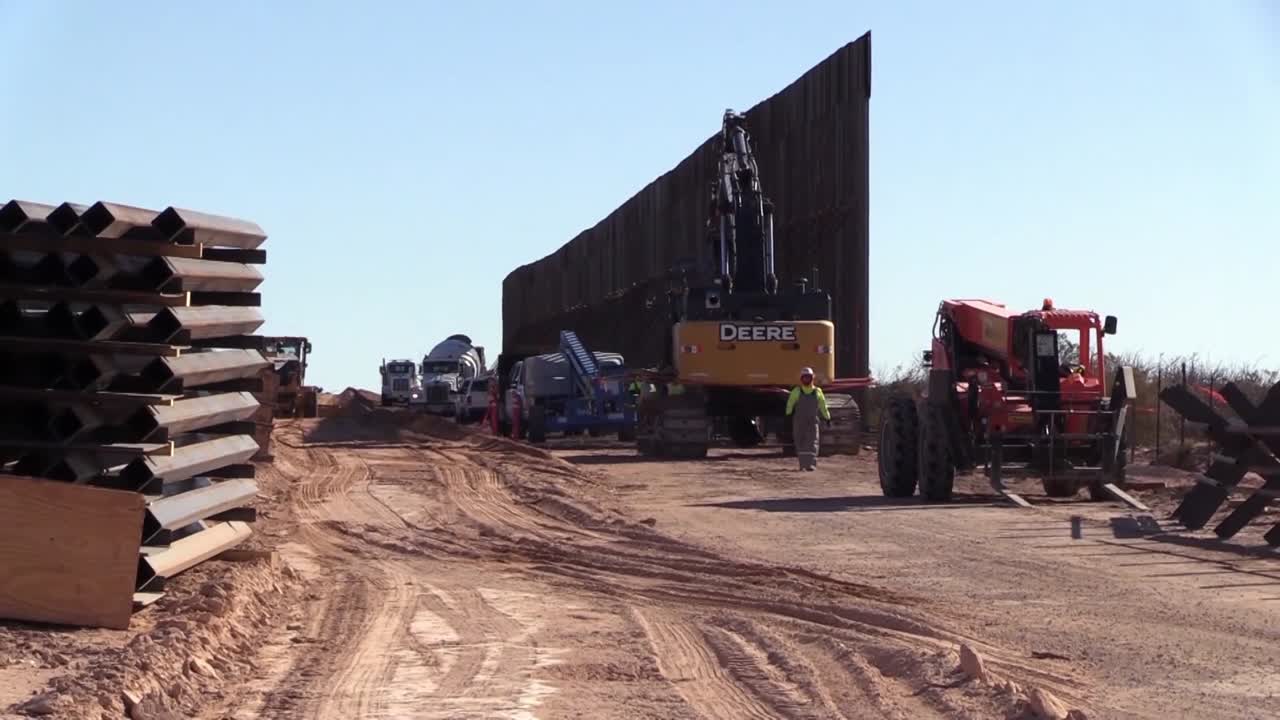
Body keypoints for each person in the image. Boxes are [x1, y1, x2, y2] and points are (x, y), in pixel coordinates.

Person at [785, 367, 831, 471]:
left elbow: (823, 406)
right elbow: (790, 404)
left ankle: (811, 465)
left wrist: (827, 417)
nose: (806, 380)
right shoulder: (796, 391)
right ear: (801, 379)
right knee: (800, 441)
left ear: (812, 378)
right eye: (804, 378)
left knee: (812, 442)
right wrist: (788, 415)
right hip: (799, 421)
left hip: (812, 421)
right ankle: (803, 465)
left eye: (808, 377)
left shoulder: (818, 391)